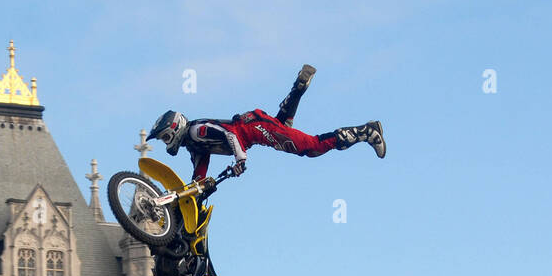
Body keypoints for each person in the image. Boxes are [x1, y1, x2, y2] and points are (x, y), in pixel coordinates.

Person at [147, 65, 386, 188]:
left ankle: (366, 131)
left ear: (174, 127)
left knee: (311, 147)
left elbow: (228, 133)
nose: (166, 142)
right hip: (256, 128)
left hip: (254, 128)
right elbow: (199, 175)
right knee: (283, 127)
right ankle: (297, 90)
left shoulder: (195, 131)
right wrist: (193, 194)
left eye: (165, 136)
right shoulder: (194, 147)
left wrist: (240, 159)